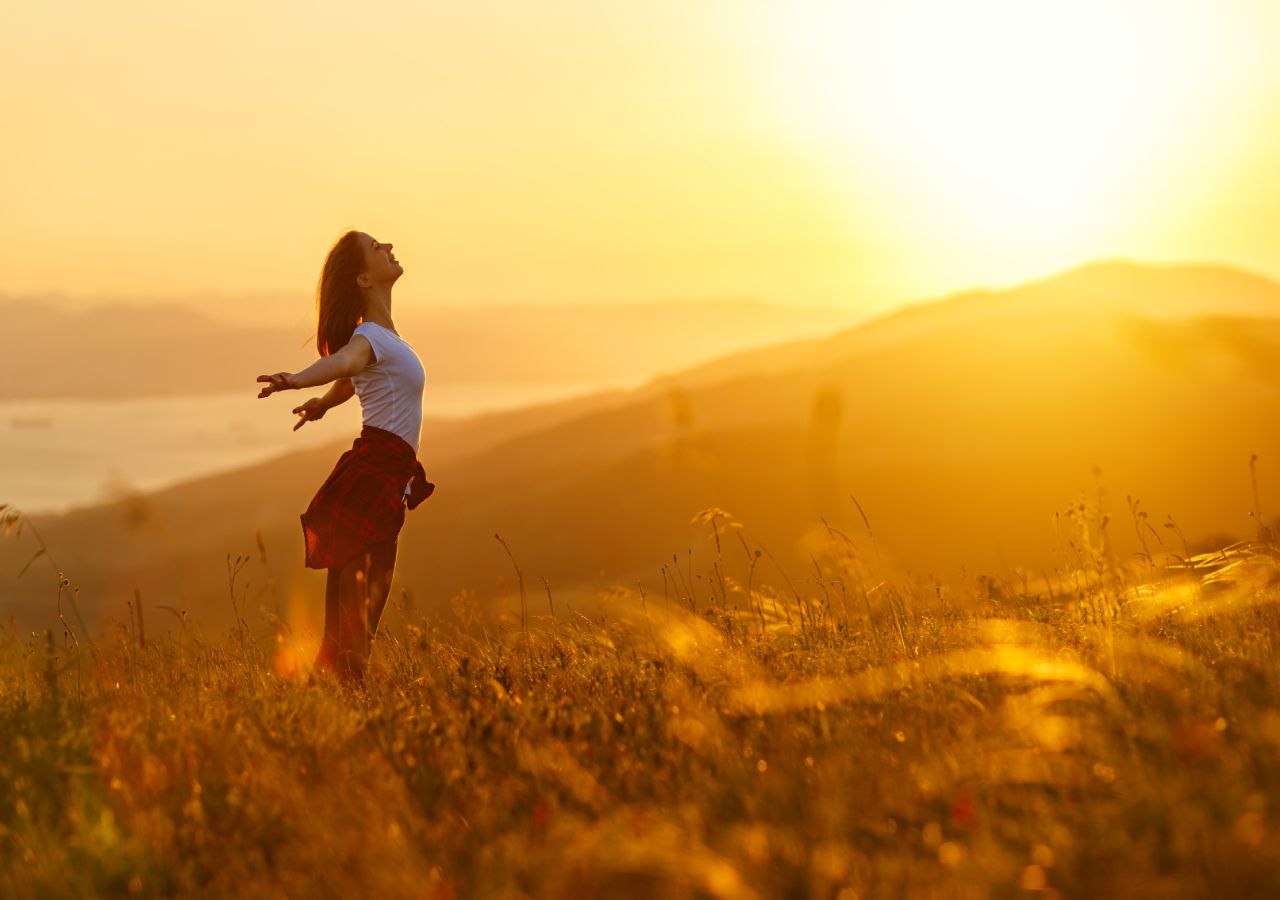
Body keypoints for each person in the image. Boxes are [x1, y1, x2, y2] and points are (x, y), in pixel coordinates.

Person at [256, 230, 433, 685]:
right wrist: (296, 381)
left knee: (355, 622)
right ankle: (337, 707)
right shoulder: (368, 337)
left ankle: (328, 702)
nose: (390, 246)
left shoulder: (384, 339)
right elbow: (347, 363)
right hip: (374, 475)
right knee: (357, 621)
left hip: (382, 476)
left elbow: (355, 379)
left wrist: (323, 404)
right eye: (377, 248)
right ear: (363, 279)